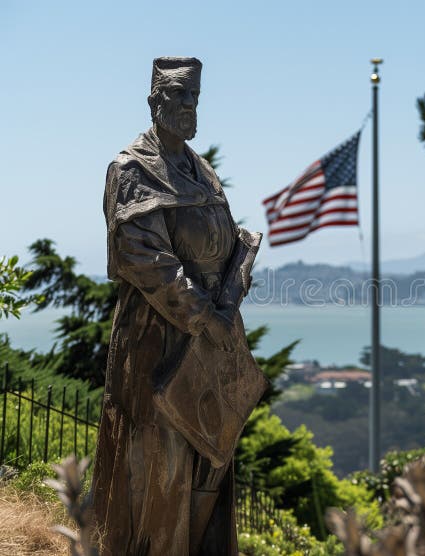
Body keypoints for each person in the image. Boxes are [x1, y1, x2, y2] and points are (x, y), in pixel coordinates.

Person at [92, 57, 243, 555]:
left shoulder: (202, 170)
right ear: (155, 100)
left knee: (206, 467)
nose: (187, 106)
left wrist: (234, 278)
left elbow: (221, 240)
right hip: (155, 346)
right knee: (158, 469)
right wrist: (204, 315)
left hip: (207, 347)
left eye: (193, 97)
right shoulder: (131, 168)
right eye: (178, 95)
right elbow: (145, 259)